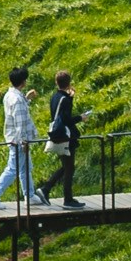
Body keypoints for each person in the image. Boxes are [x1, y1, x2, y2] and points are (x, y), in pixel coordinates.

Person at [0, 68, 37, 210]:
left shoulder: (11, 95)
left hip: (14, 138)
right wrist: (24, 142)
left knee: (25, 167)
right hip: (18, 141)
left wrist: (27, 99)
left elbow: (17, 113)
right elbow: (20, 123)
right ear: (23, 81)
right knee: (13, 169)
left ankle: (30, 195)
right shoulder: (17, 100)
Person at [41, 70, 82, 208]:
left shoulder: (55, 97)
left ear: (56, 82)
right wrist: (81, 118)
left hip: (57, 134)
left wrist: (70, 97)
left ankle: (46, 189)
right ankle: (67, 199)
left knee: (67, 166)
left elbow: (60, 114)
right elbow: (66, 119)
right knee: (69, 168)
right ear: (69, 83)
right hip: (66, 136)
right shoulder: (65, 99)